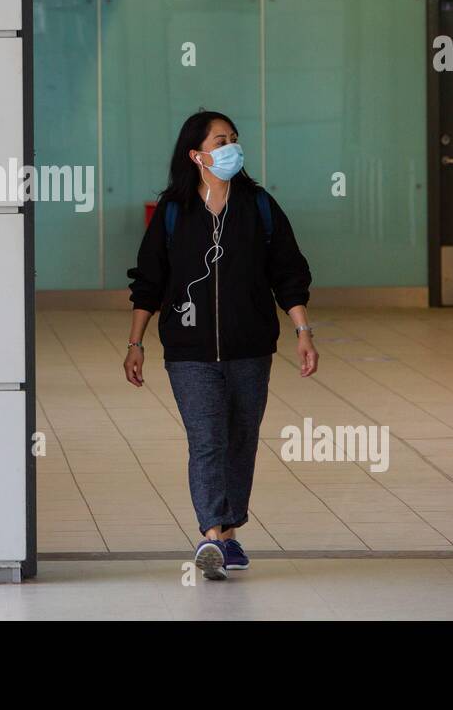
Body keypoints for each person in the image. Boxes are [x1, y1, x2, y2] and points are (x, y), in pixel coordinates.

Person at [124, 111, 317, 581]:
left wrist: (302, 331)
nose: (230, 146)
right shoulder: (173, 211)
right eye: (220, 140)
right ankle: (212, 535)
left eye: (233, 138)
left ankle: (229, 536)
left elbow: (287, 271)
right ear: (197, 155)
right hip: (188, 352)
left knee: (241, 441)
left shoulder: (259, 205)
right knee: (207, 440)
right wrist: (136, 342)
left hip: (250, 346)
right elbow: (148, 281)